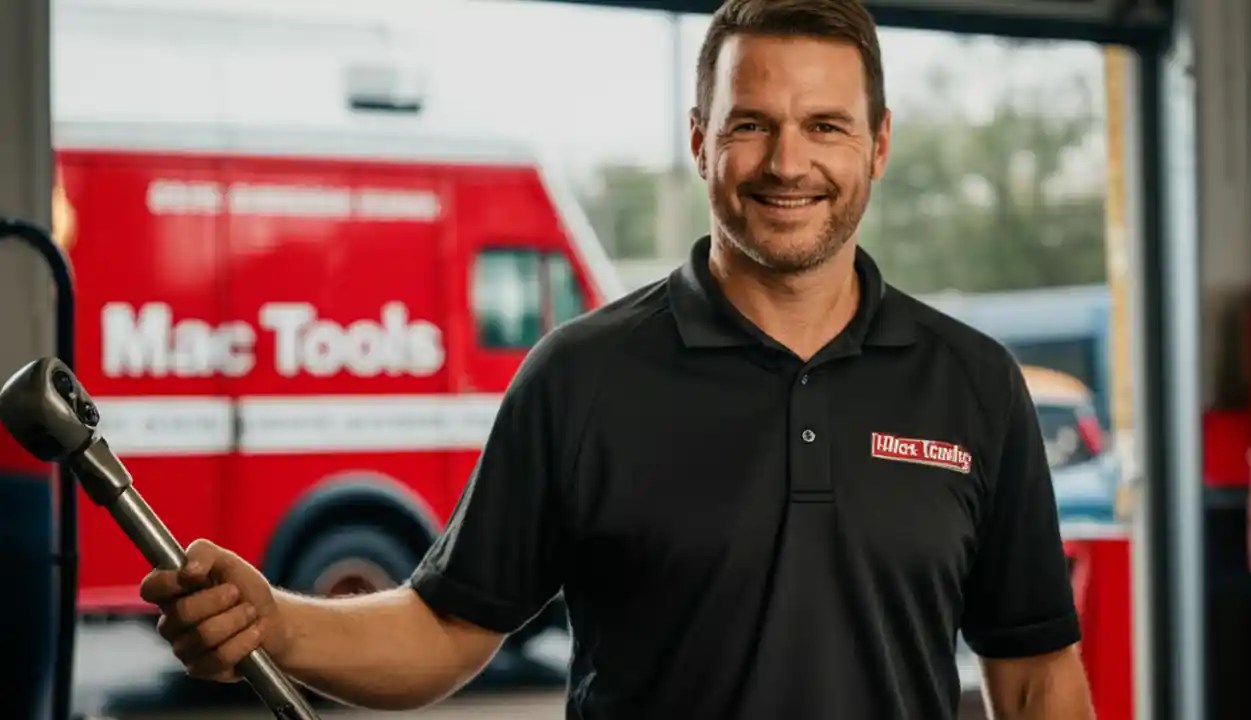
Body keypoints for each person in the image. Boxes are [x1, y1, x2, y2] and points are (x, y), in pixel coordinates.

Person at [140, 1, 1095, 717]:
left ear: (878, 146)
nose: (787, 162)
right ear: (699, 141)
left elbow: (1037, 671)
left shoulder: (971, 384)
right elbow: (446, 628)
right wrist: (277, 623)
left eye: (827, 126)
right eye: (751, 122)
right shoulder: (581, 377)